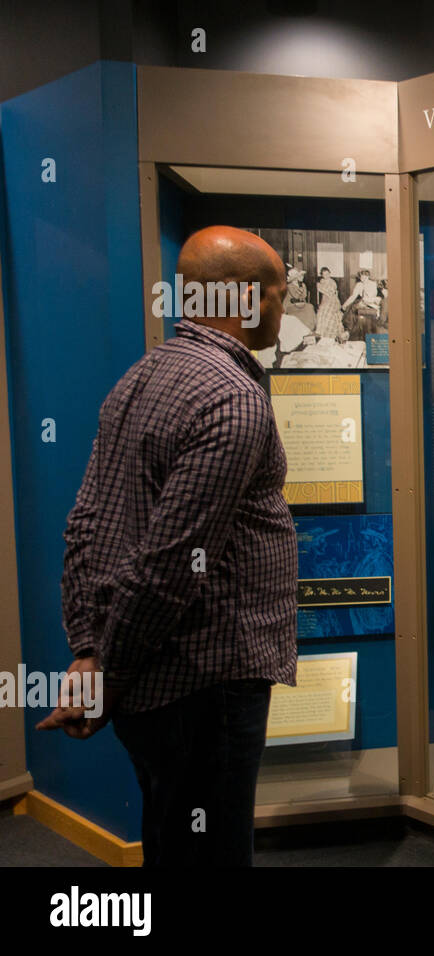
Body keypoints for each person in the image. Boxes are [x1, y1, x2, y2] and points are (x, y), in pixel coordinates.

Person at [42, 226, 298, 867]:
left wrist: (91, 651)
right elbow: (171, 566)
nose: (285, 307)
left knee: (172, 839)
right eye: (278, 292)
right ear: (245, 298)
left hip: (151, 681)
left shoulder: (140, 376)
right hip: (204, 682)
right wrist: (105, 673)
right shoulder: (234, 399)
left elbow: (85, 525)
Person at [315, 266, 345, 341]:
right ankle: (322, 332)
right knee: (321, 311)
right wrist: (323, 289)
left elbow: (331, 293)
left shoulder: (333, 282)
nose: (326, 276)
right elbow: (320, 289)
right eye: (324, 274)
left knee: (328, 310)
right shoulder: (321, 281)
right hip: (325, 300)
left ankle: (331, 332)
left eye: (327, 274)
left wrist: (323, 290)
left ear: (330, 274)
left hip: (333, 300)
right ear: (322, 275)